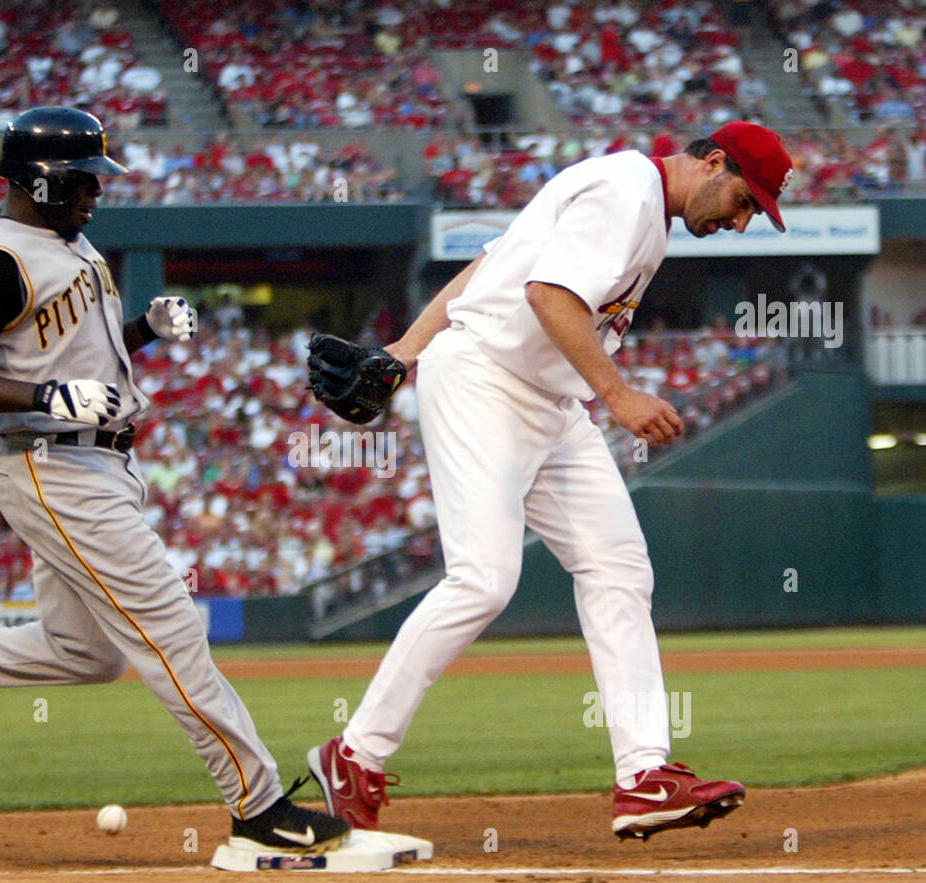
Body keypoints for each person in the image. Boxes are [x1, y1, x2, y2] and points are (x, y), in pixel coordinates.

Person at [0, 106, 349, 856]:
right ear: (40, 178)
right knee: (171, 627)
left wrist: (143, 334)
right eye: (85, 178)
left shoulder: (67, 243)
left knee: (85, 654)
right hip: (54, 464)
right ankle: (257, 804)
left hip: (96, 460)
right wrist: (42, 400)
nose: (97, 192)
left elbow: (63, 358)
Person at [307, 121, 793, 840]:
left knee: (619, 567)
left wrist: (407, 348)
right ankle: (354, 755)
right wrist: (621, 396)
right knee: (484, 579)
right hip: (485, 381)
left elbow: (494, 262)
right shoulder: (627, 193)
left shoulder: (644, 211)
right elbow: (546, 295)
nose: (743, 221)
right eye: (747, 200)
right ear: (714, 162)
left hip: (549, 400)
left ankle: (644, 775)